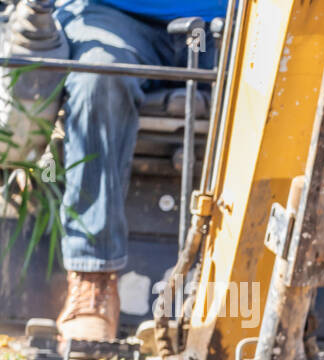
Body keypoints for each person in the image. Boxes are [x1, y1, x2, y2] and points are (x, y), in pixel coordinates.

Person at [53, 0, 223, 341]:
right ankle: (93, 282)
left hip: (238, 21)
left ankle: (260, 290)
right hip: (114, 18)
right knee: (98, 79)